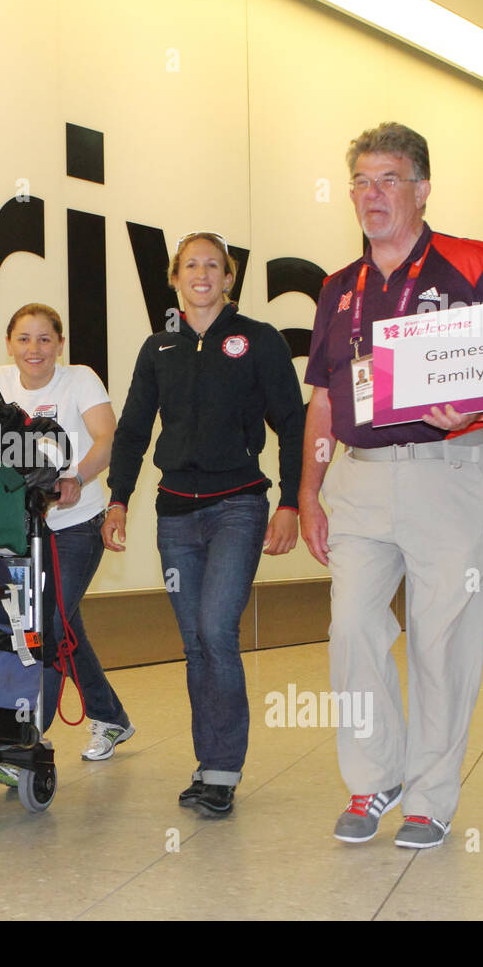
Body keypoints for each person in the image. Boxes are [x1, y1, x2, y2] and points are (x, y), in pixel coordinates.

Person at [299, 122, 483, 849]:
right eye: (360, 181)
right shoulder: (337, 289)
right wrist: (307, 493)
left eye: (387, 179)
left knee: (441, 641)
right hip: (360, 483)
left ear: (421, 188)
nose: (371, 195)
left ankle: (428, 795)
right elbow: (325, 402)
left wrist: (475, 405)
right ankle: (373, 777)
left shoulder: (472, 263)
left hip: (450, 476)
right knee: (353, 629)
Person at [101, 232, 305, 818]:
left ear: (228, 277)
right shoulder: (157, 348)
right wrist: (118, 499)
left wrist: (291, 501)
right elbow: (135, 429)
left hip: (238, 507)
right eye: (191, 264)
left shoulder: (259, 341)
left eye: (213, 265)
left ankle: (222, 768)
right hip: (174, 515)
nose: (202, 273)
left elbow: (292, 422)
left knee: (216, 631)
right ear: (175, 277)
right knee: (194, 643)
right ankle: (210, 767)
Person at [0, 303, 132, 784]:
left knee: (47, 624)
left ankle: (24, 742)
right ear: (10, 343)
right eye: (24, 339)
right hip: (21, 531)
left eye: (45, 339)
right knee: (63, 627)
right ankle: (112, 718)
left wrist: (76, 478)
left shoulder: (79, 380)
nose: (34, 349)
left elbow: (109, 438)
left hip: (76, 525)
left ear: (59, 344)